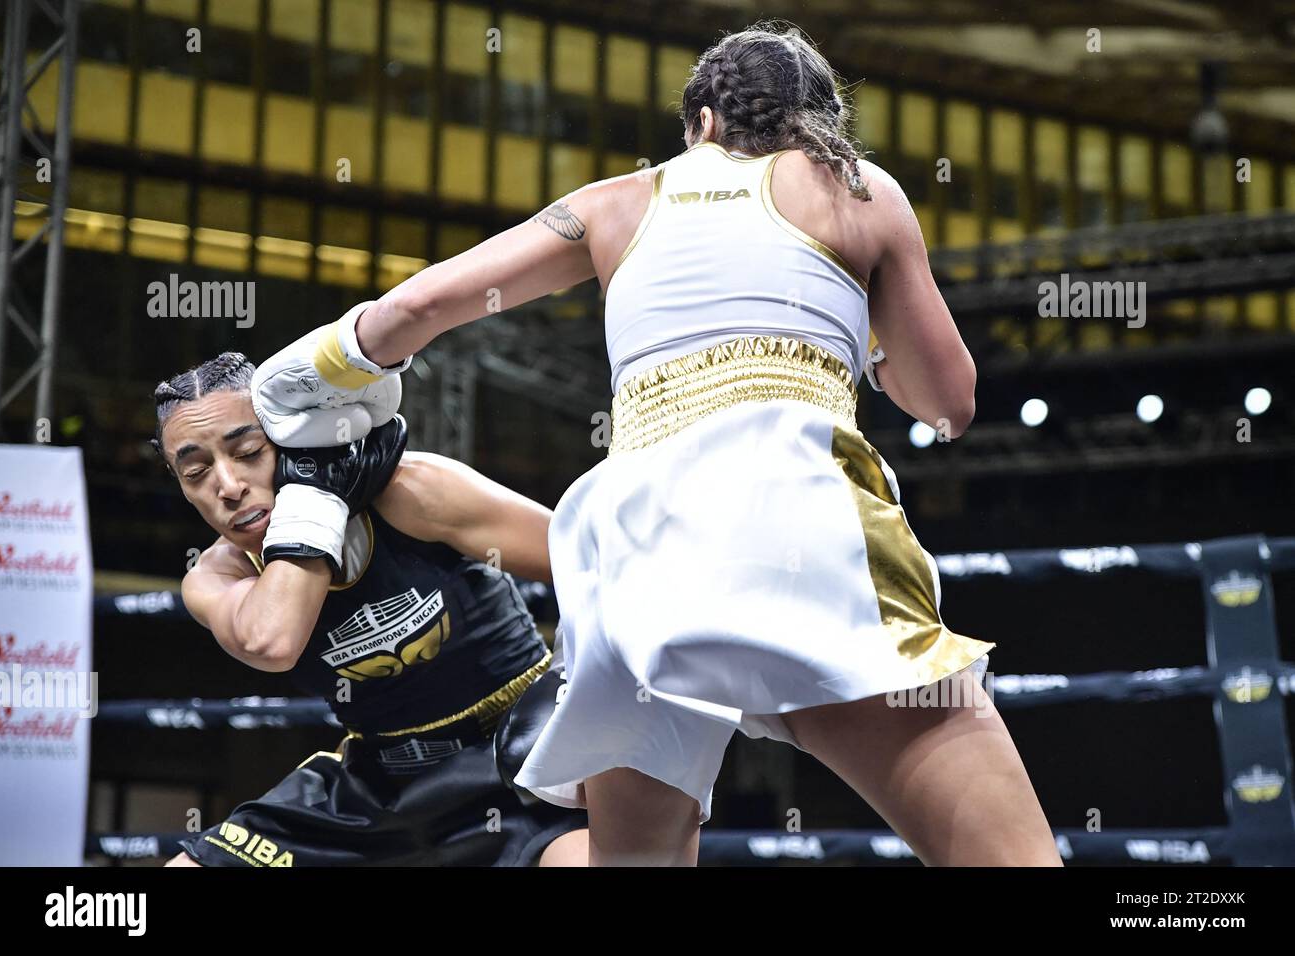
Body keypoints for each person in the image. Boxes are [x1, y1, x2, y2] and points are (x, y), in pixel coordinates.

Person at [250, 21, 1061, 866]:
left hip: (635, 572)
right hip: (802, 529)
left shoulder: (615, 204)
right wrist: (877, 344)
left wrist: (318, 364)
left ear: (702, 121)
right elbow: (949, 404)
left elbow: (418, 310)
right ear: (815, 123)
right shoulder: (855, 186)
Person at [151, 352, 588, 866]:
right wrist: (316, 503)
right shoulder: (217, 577)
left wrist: (570, 689)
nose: (226, 486)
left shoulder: (410, 491)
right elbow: (273, 640)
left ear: (291, 441)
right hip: (380, 785)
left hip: (521, 761)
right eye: (197, 471)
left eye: (248, 452)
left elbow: (598, 568)